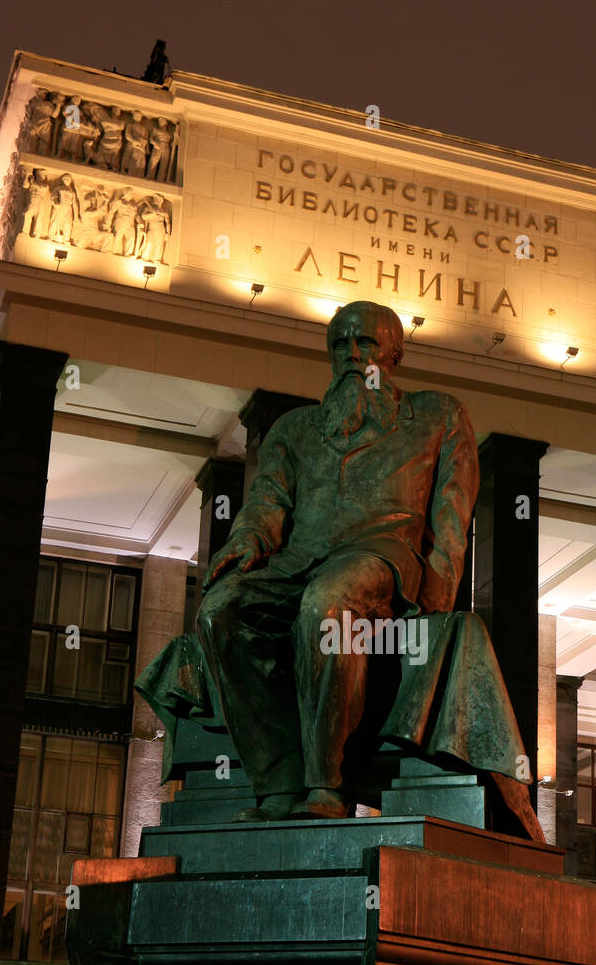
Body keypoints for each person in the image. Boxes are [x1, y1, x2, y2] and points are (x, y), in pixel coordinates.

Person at [196, 300, 479, 821]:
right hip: (299, 559)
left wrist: (440, 592)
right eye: (340, 344)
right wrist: (248, 538)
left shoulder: (439, 414)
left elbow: (452, 512)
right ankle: (278, 782)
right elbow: (268, 502)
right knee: (221, 609)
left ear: (394, 353)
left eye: (365, 342)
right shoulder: (294, 428)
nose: (352, 354)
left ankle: (327, 784)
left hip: (383, 556)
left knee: (326, 605)